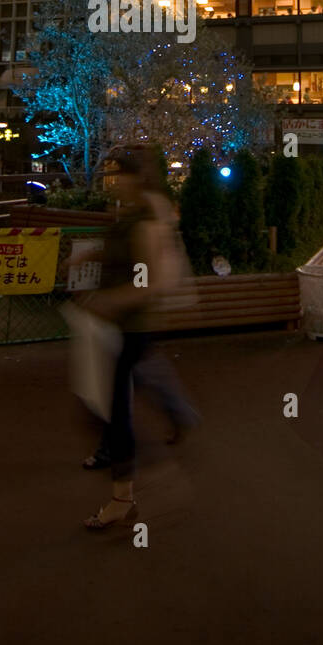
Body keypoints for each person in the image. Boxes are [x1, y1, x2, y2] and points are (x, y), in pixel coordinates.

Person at [79, 147, 195, 529]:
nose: (111, 180)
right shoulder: (130, 216)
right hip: (123, 328)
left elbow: (151, 280)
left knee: (116, 411)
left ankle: (126, 495)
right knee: (113, 407)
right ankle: (125, 492)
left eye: (117, 173)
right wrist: (89, 258)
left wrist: (112, 301)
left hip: (133, 327)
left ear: (136, 177)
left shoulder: (146, 219)